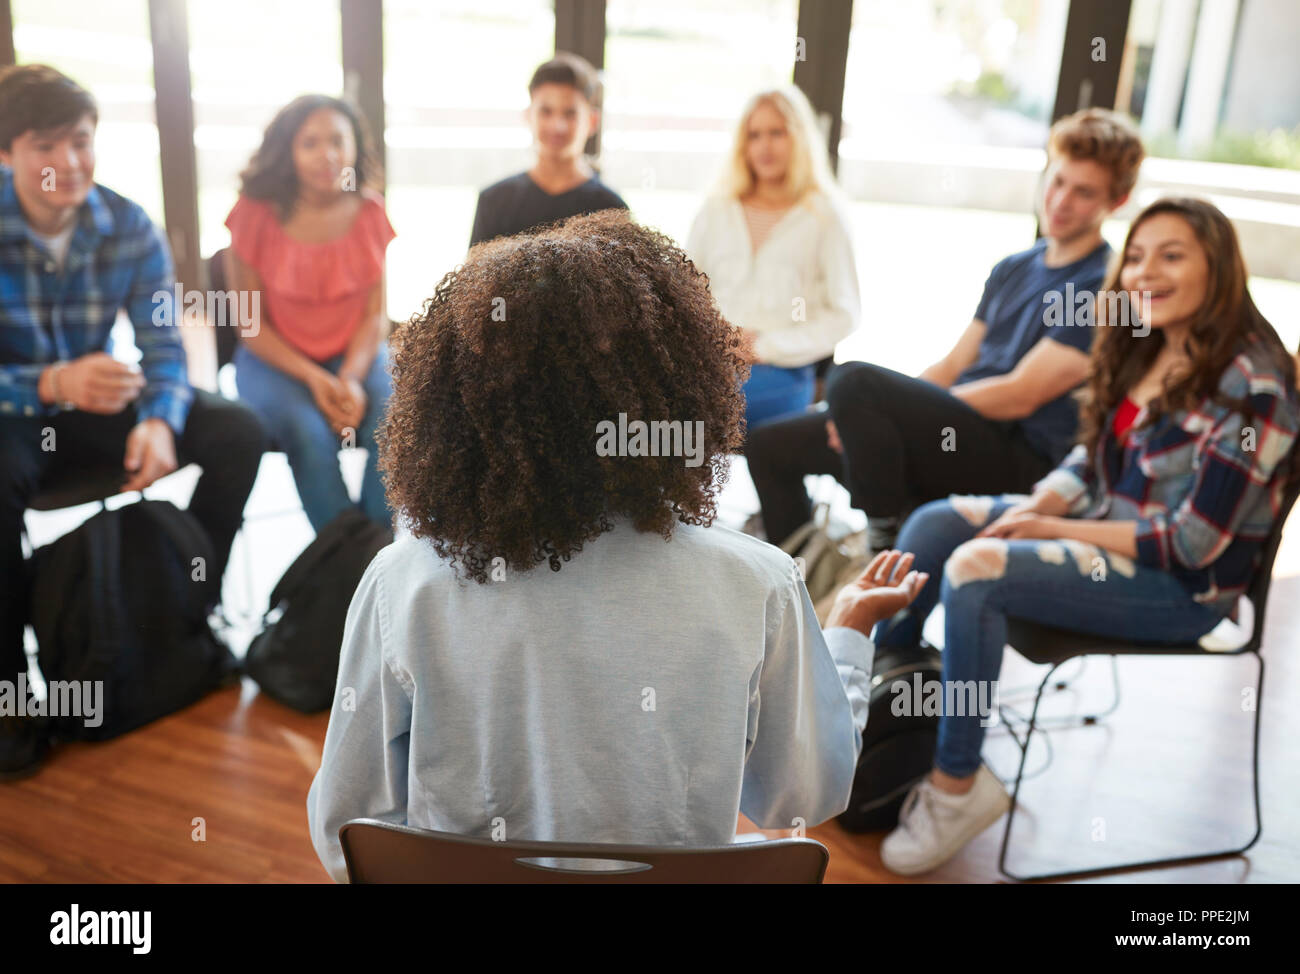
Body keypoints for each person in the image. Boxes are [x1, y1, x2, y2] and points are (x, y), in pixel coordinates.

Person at [305, 211, 929, 882]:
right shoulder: (758, 584)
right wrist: (848, 639)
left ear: (457, 403)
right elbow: (803, 794)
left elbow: (346, 830)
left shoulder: (406, 581)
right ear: (682, 389)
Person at [874, 197, 1300, 875]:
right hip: (1102, 529)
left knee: (978, 568)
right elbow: (1091, 458)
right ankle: (878, 708)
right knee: (935, 523)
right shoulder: (1151, 345)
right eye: (1135, 255)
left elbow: (1190, 544)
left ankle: (956, 788)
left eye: (1171, 255)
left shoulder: (1255, 386)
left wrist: (1046, 526)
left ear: (1218, 267)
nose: (1143, 272)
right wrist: (1040, 503)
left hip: (1180, 588)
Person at [0, 65, 266, 778]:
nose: (68, 164)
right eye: (44, 148)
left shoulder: (126, 224)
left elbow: (163, 349)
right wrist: (51, 381)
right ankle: (11, 693)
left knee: (238, 430)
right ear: (6, 153)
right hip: (14, 417)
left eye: (80, 142)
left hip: (101, 407)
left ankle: (184, 609)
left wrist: (159, 420)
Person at [746, 108, 1145, 548]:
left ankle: (882, 541)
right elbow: (955, 363)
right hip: (958, 431)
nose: (1061, 200)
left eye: (1084, 193)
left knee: (853, 379)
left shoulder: (1105, 286)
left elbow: (1020, 394)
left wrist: (892, 414)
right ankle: (799, 575)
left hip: (1018, 457)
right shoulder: (1014, 267)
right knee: (771, 447)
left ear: (1116, 202)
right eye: (1057, 181)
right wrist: (857, 415)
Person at [224, 94, 395, 533]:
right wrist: (318, 380)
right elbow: (249, 325)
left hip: (353, 356)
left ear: (356, 146)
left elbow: (375, 316)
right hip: (273, 360)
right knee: (307, 433)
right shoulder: (252, 214)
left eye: (338, 140)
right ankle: (344, 559)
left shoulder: (371, 211)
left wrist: (351, 379)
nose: (328, 155)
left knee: (397, 416)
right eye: (310, 143)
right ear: (288, 152)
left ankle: (374, 548)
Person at [687, 85, 859, 432]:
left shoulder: (825, 215)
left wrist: (764, 347)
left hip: (782, 371)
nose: (765, 145)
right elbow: (685, 289)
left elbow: (844, 314)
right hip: (709, 360)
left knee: (694, 413)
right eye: (754, 135)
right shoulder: (717, 208)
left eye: (777, 133)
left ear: (799, 138)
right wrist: (718, 340)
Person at [468, 53, 627, 248]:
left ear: (592, 121)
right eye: (546, 111)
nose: (557, 126)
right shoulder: (494, 201)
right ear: (528, 115)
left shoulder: (611, 209)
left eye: (570, 113)